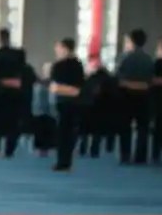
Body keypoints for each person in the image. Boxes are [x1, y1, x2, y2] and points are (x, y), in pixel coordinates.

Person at [115, 30, 153, 165]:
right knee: (143, 127)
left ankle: (125, 155)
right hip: (144, 96)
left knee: (125, 127)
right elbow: (151, 80)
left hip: (127, 96)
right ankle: (140, 156)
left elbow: (118, 78)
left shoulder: (126, 58)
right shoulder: (148, 59)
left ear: (132, 41)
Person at [0, 29, 26, 158]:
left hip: (0, 89)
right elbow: (23, 70)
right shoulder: (19, 53)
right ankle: (10, 150)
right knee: (13, 121)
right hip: (15, 89)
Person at [50, 39, 86, 172]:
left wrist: (61, 89)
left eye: (58, 47)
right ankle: (67, 161)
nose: (56, 50)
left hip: (63, 103)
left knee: (62, 134)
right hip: (76, 103)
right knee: (71, 134)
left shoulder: (59, 66)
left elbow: (54, 87)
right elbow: (79, 88)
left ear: (65, 48)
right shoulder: (78, 64)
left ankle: (61, 161)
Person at [78, 58, 118, 159]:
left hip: (87, 107)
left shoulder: (89, 79)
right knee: (97, 131)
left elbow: (83, 93)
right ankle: (94, 151)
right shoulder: (109, 79)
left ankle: (83, 149)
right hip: (103, 109)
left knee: (85, 131)